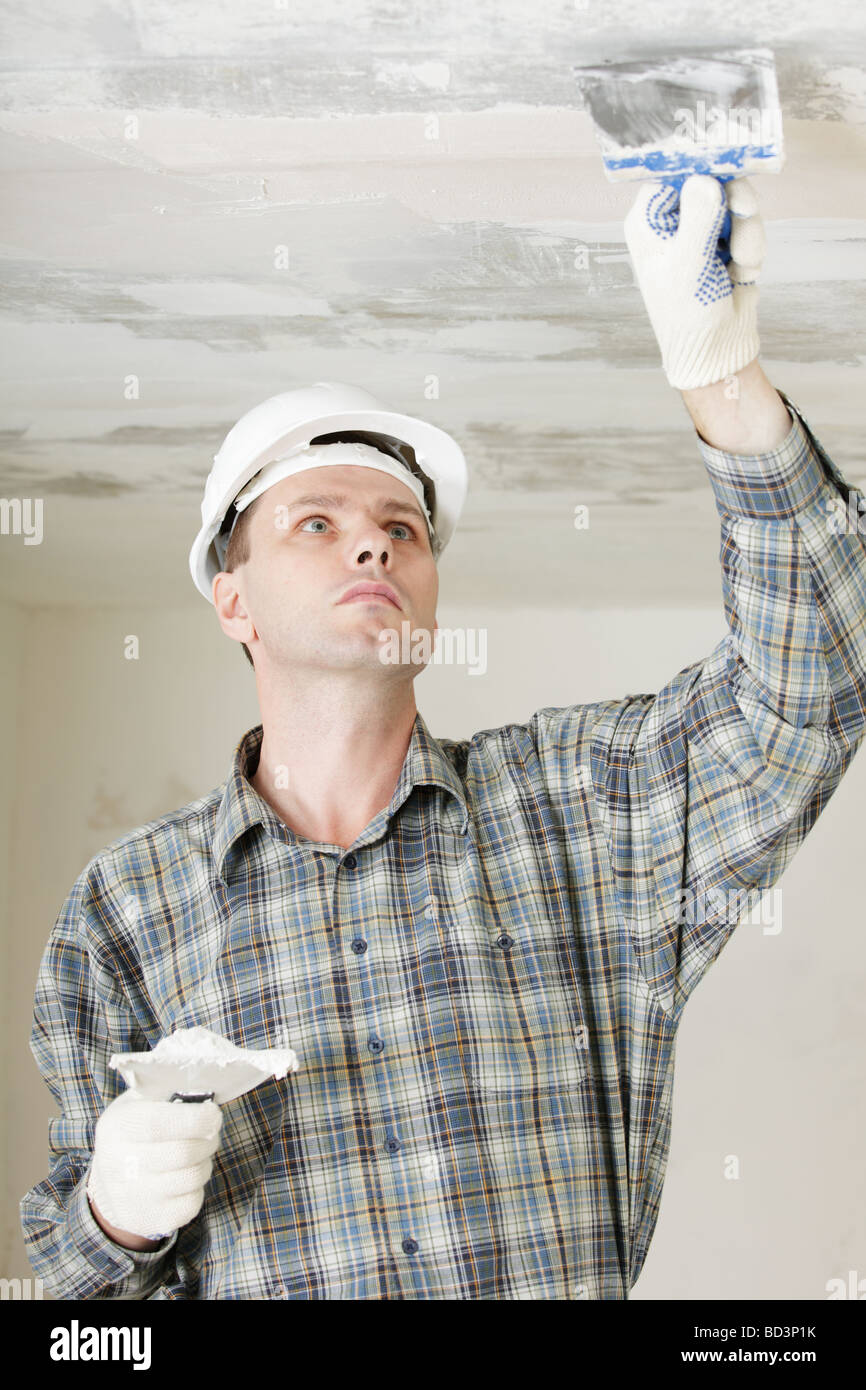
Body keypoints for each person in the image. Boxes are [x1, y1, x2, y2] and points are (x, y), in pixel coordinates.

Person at [20, 176, 866, 1300]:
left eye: (400, 528)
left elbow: (806, 689)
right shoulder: (124, 909)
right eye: (315, 524)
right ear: (235, 603)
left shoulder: (579, 809)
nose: (372, 547)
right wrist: (110, 1221)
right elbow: (75, 1320)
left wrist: (716, 371)